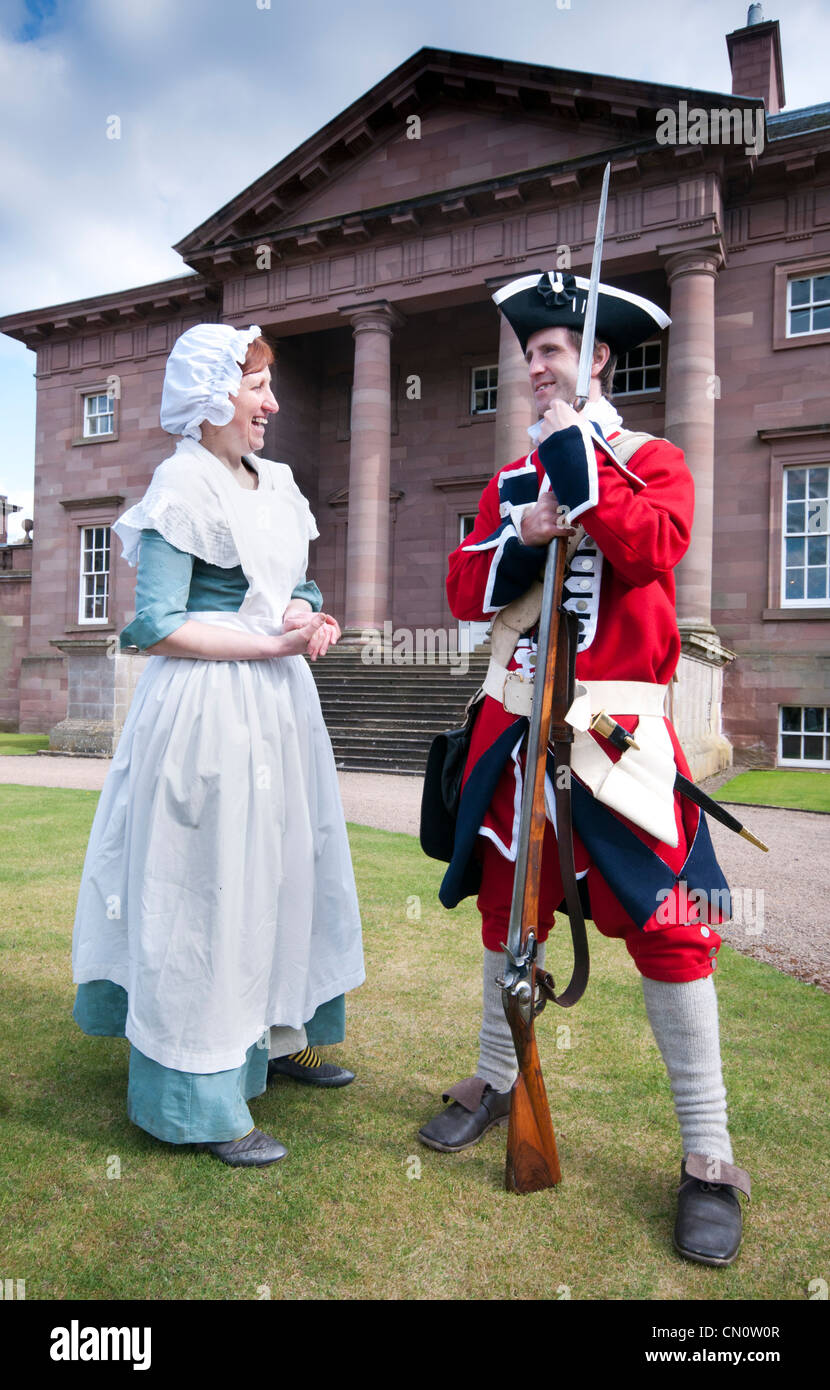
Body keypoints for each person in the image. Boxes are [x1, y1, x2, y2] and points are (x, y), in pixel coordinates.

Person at [417, 271, 751, 1266]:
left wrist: (574, 458)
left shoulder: (648, 458)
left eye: (553, 349)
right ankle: (493, 1075)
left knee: (669, 927)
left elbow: (654, 546)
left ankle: (706, 1153)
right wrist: (521, 534)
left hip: (614, 730)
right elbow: (460, 589)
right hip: (513, 722)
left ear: (596, 359)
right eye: (528, 352)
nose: (536, 365)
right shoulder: (512, 477)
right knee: (497, 907)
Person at [72, 323, 364, 1168]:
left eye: (270, 386)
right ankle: (195, 1096)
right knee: (209, 887)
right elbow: (156, 626)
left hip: (279, 710)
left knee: (283, 869)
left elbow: (292, 586)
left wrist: (309, 617)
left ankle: (276, 1038)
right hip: (206, 713)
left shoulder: (275, 483)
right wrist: (269, 642)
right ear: (210, 396)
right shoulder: (182, 482)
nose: (272, 402)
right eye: (256, 386)